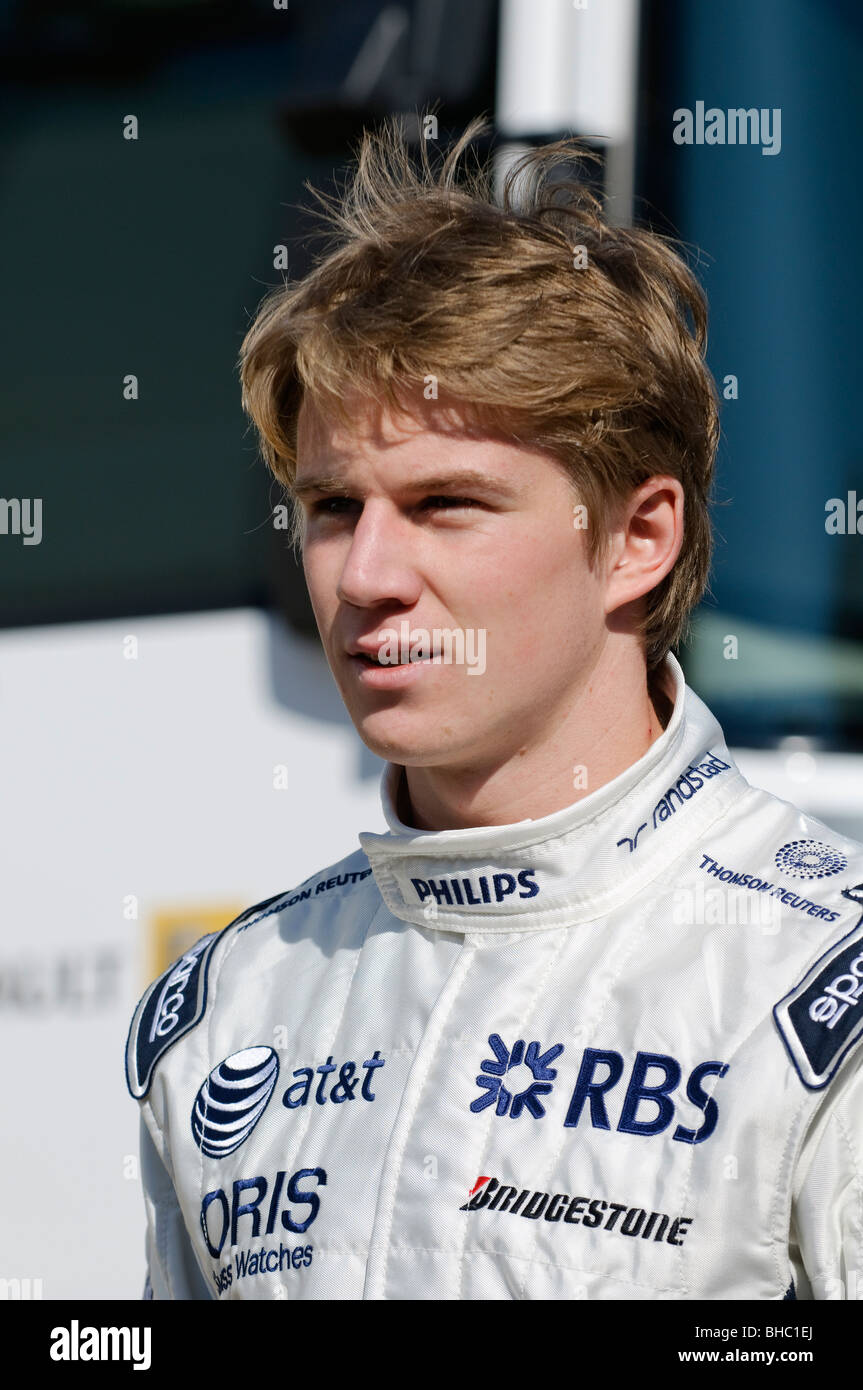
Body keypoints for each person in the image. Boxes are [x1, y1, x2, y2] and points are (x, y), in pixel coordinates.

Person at [126, 118, 863, 1301]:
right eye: (330, 508)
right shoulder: (224, 1006)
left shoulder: (817, 985)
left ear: (637, 538)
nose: (364, 575)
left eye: (445, 503)